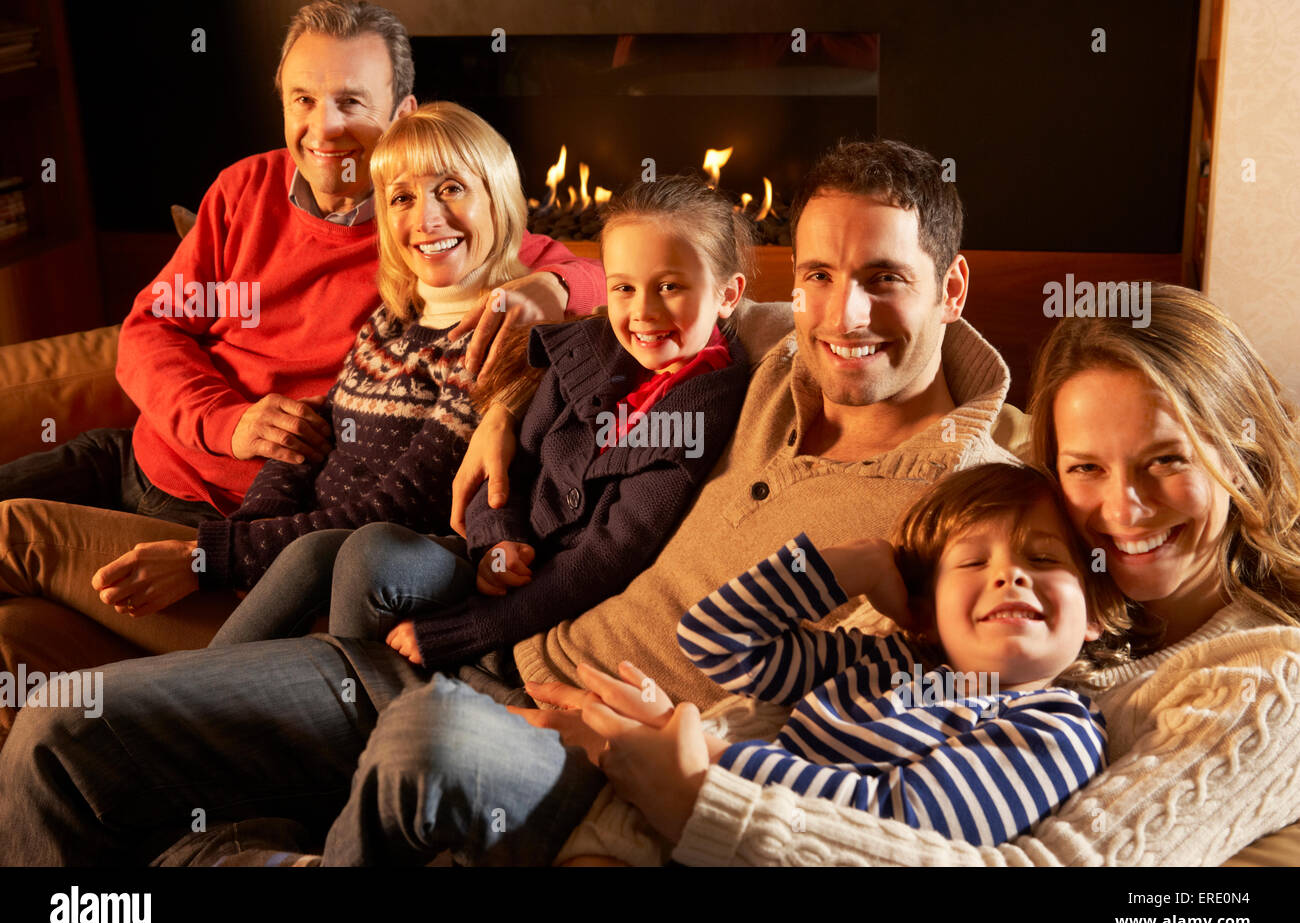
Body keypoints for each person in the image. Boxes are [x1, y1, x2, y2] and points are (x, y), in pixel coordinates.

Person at [0, 138, 1035, 866]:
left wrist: (667, 755)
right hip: (467, 650)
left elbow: (854, 719)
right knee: (61, 725)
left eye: (885, 280)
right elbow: (631, 282)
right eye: (818, 273)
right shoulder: (771, 352)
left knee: (430, 747)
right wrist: (512, 387)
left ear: (951, 289)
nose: (845, 313)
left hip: (577, 747)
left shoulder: (963, 505)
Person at [563, 283, 1300, 867]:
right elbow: (762, 713)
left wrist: (701, 803)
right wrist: (610, 842)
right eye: (1086, 468)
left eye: (1167, 460)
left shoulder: (1270, 682)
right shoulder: (1001, 560)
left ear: (1244, 455)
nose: (1124, 508)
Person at [0, 1, 603, 706]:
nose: (324, 128)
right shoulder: (243, 191)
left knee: (14, 536)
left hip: (232, 524)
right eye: (304, 100)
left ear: (403, 110)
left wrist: (555, 286)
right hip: (136, 458)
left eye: (351, 101)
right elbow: (148, 332)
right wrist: (226, 422)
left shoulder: (427, 231)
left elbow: (578, 277)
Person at [208, 174, 751, 673]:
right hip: (494, 565)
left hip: (546, 599)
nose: (643, 313)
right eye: (624, 288)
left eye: (670, 287)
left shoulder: (698, 414)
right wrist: (497, 541)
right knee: (321, 551)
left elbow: (604, 561)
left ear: (728, 295)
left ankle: (344, 719)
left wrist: (466, 631)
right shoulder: (586, 351)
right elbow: (501, 471)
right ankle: (204, 687)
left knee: (370, 556)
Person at [677, 462, 1128, 845]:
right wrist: (857, 564)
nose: (1010, 575)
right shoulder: (879, 664)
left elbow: (897, 825)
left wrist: (701, 761)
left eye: (1044, 559)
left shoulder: (1060, 727)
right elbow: (717, 639)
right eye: (973, 562)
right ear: (926, 613)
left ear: (1094, 614)